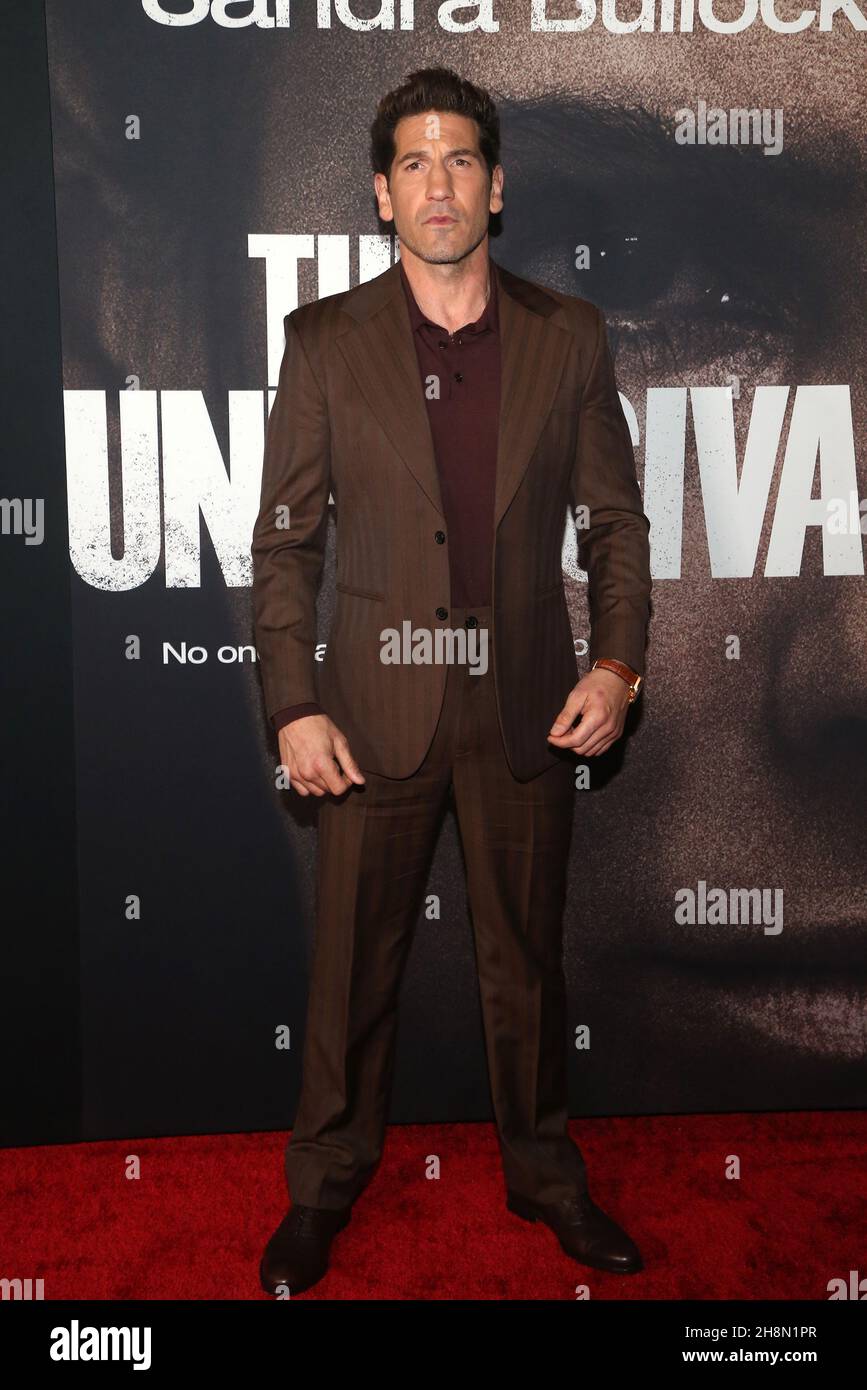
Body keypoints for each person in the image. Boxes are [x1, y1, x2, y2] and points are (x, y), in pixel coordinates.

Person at [251, 66, 652, 1296]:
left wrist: (620, 660)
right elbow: (285, 544)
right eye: (414, 163)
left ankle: (545, 1177)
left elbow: (617, 525)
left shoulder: (569, 335)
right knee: (351, 968)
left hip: (525, 694)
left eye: (461, 159)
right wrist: (293, 699)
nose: (439, 183)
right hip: (373, 702)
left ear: (496, 184)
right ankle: (320, 1191)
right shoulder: (323, 343)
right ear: (381, 193)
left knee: (525, 962)